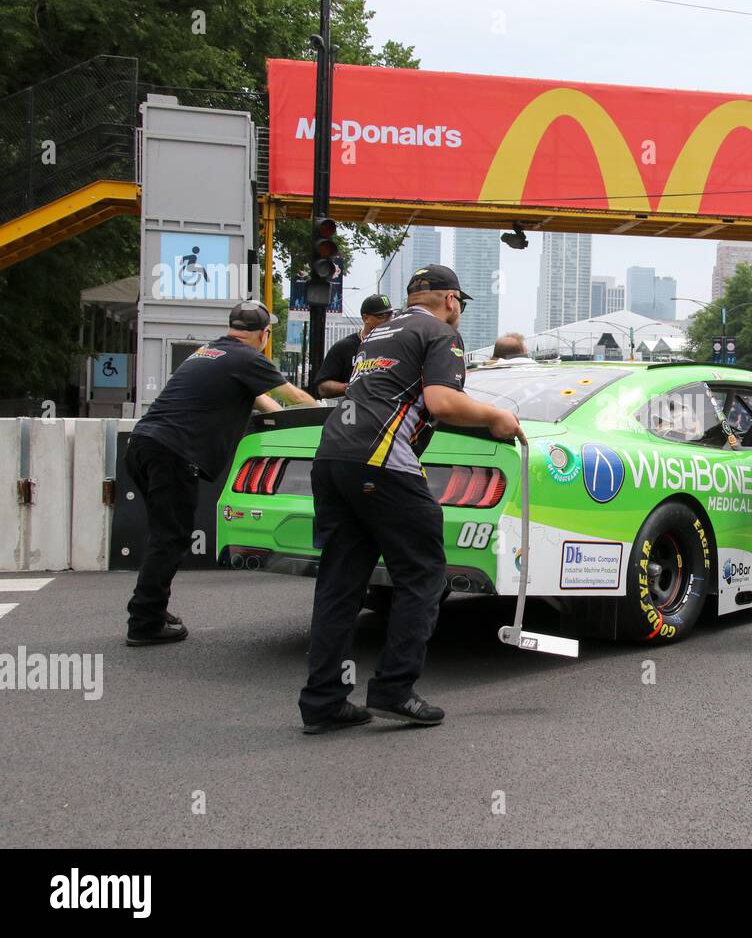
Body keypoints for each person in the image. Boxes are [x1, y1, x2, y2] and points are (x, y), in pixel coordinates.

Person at [299, 265, 526, 734]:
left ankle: (323, 700)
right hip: (381, 463)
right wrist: (496, 418)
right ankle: (393, 690)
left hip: (332, 458)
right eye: (459, 302)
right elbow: (442, 402)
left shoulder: (379, 333)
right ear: (448, 300)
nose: (458, 311)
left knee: (340, 583)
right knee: (423, 574)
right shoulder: (441, 333)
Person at [124, 302, 317, 646]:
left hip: (142, 445)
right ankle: (144, 621)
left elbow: (267, 405)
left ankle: (150, 608)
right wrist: (328, 419)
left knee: (163, 535)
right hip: (171, 452)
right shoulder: (247, 358)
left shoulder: (209, 351)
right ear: (264, 335)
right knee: (170, 539)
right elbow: (296, 398)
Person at [311, 293, 396, 398]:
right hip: (355, 410)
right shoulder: (345, 347)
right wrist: (353, 387)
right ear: (366, 318)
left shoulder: (397, 346)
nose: (389, 321)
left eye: (390, 315)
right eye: (382, 316)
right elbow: (323, 388)